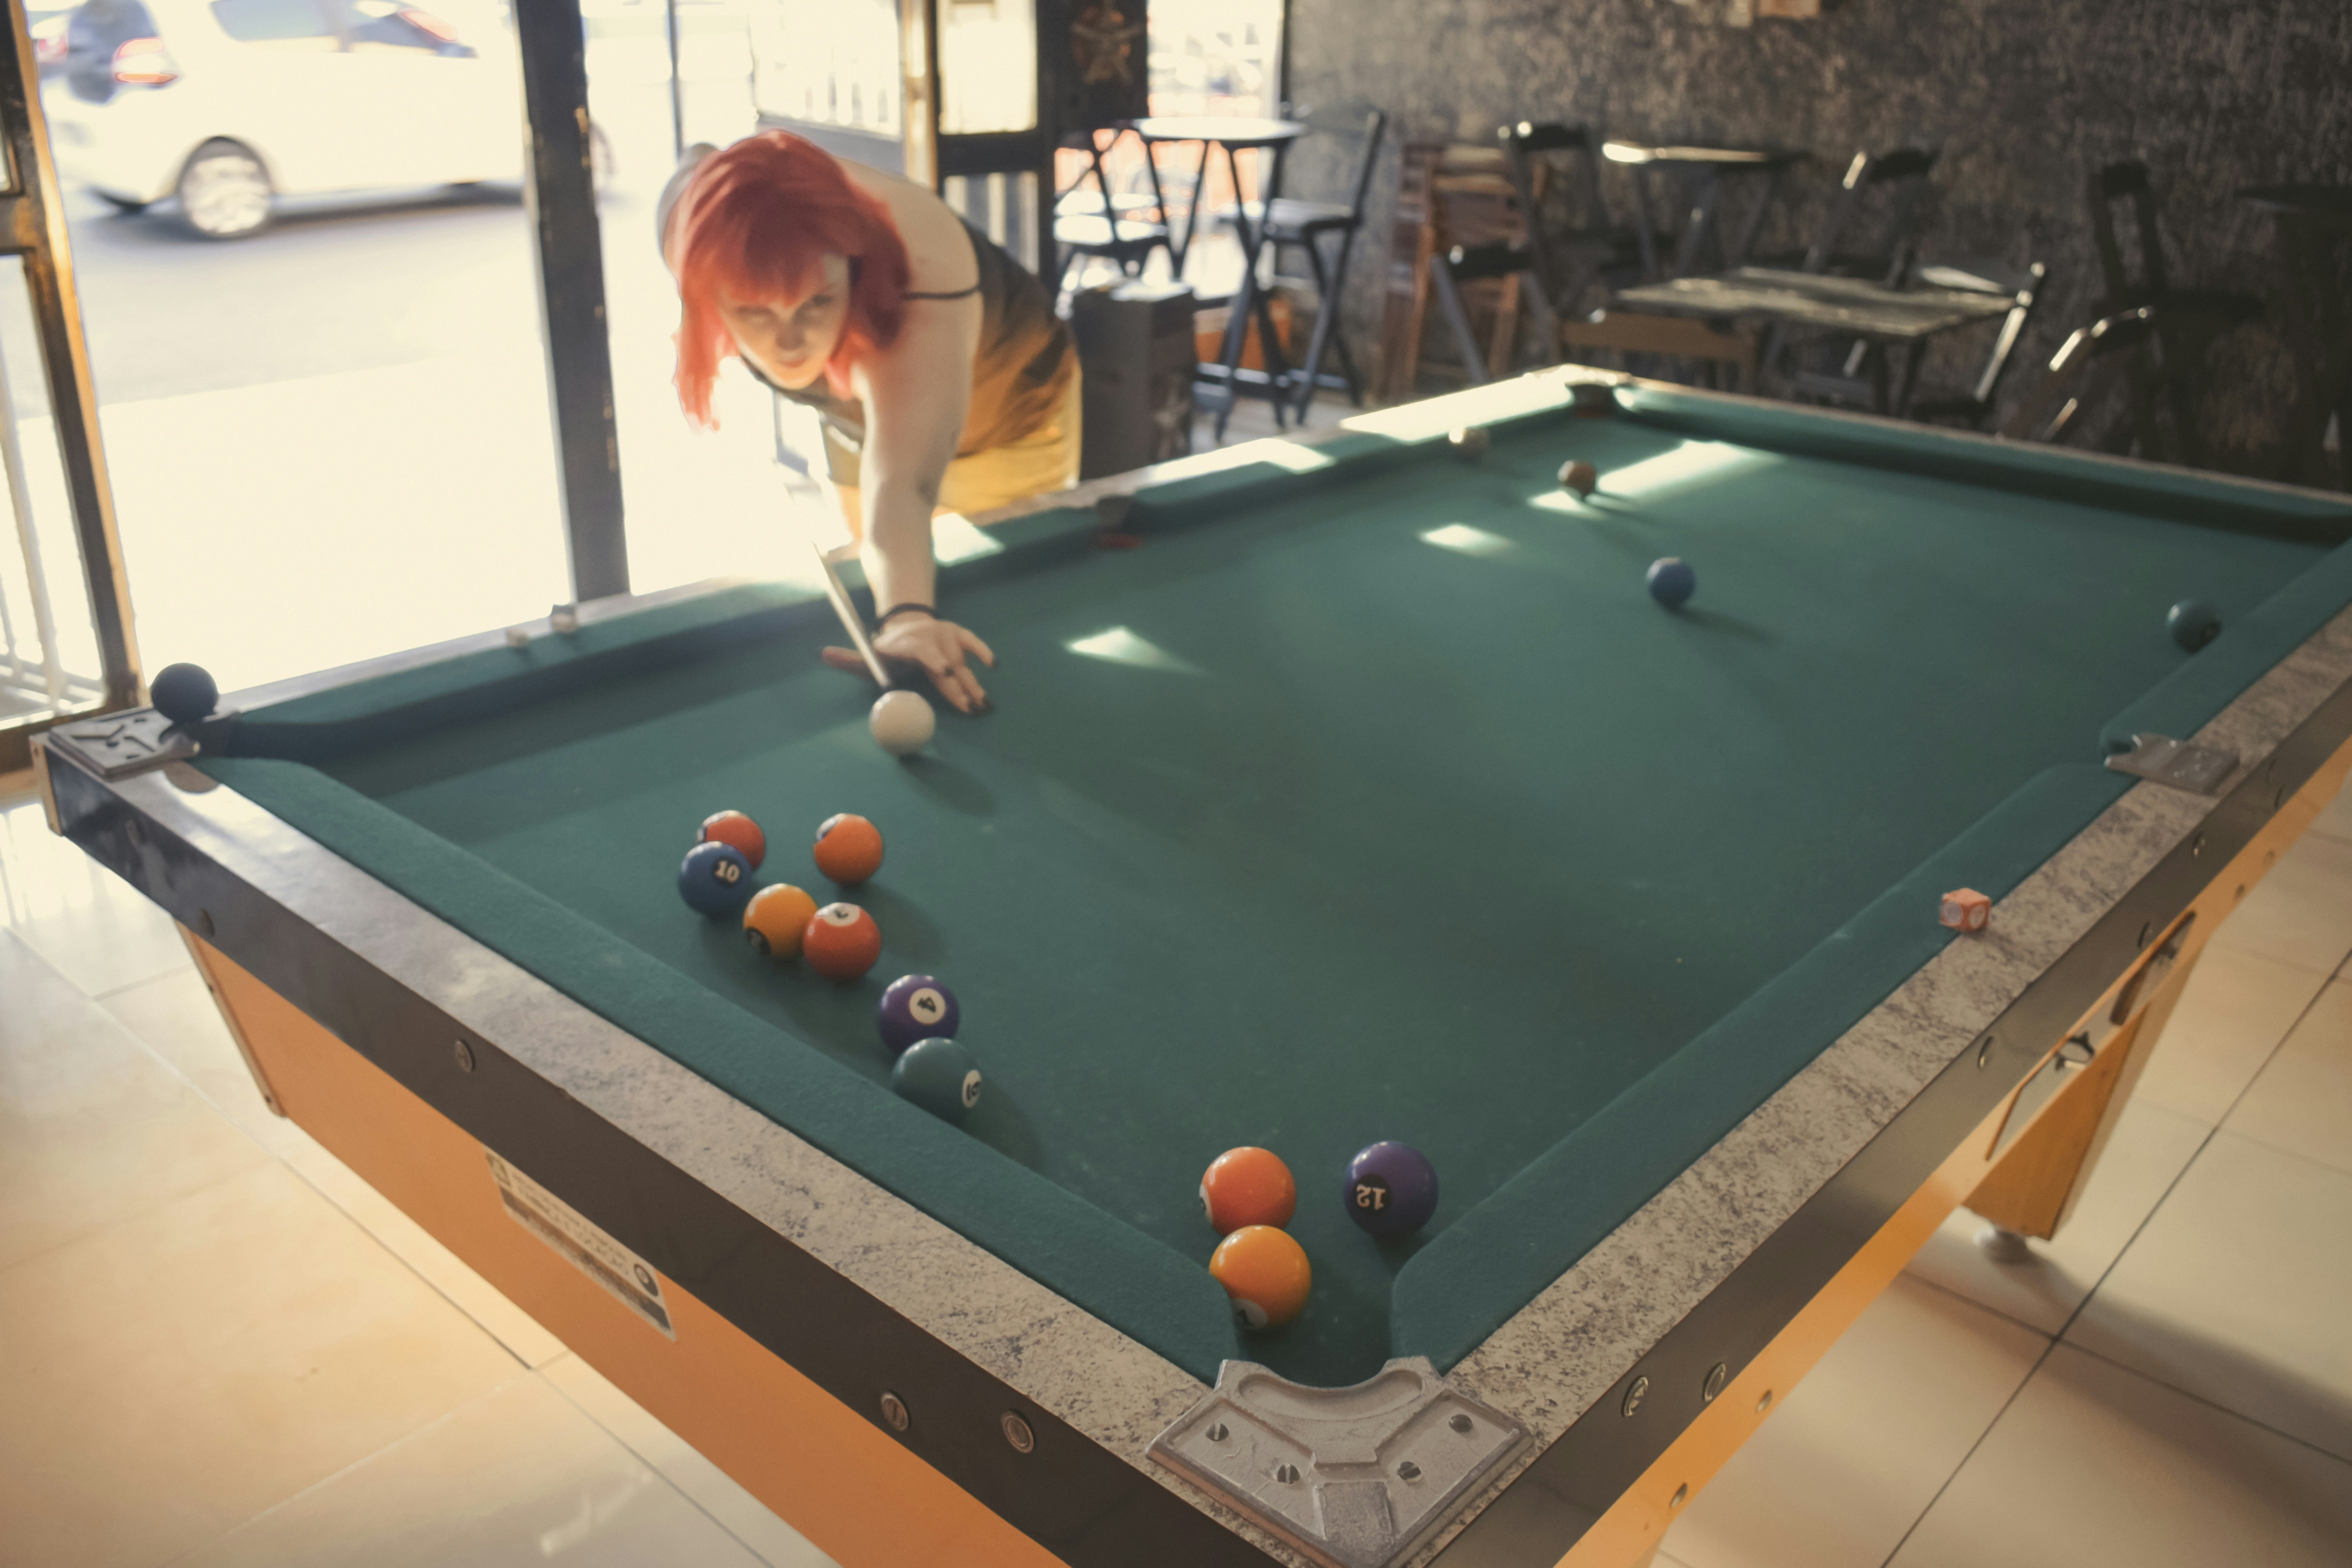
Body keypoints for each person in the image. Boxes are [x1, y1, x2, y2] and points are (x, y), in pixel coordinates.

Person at [661, 132, 1081, 714]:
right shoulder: (691, 227)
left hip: (1006, 412)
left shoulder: (924, 275)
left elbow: (901, 487)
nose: (791, 343)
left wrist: (907, 616)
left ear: (856, 269)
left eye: (817, 302)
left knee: (999, 608)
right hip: (855, 418)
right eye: (754, 311)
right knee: (879, 576)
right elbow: (698, 159)